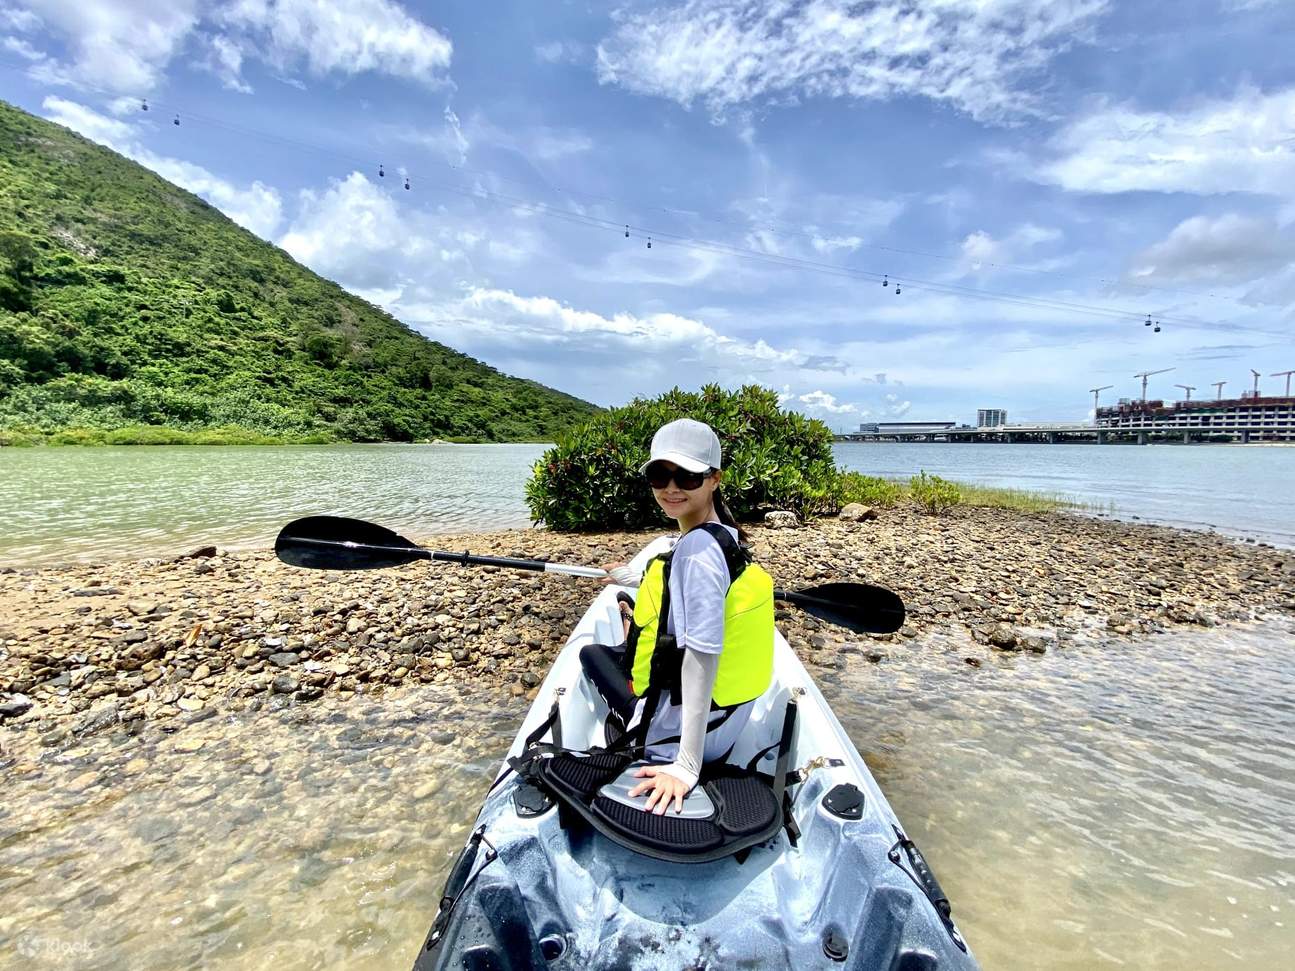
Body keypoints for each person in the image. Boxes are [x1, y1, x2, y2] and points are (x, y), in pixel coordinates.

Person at [579, 418, 775, 816]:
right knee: (628, 644)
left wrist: (687, 765)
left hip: (680, 736)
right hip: (726, 722)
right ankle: (631, 627)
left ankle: (630, 644)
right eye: (660, 475)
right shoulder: (723, 536)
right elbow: (686, 585)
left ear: (714, 479)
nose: (671, 488)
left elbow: (701, 656)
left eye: (687, 477)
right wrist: (634, 577)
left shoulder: (696, 554)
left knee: (592, 655)